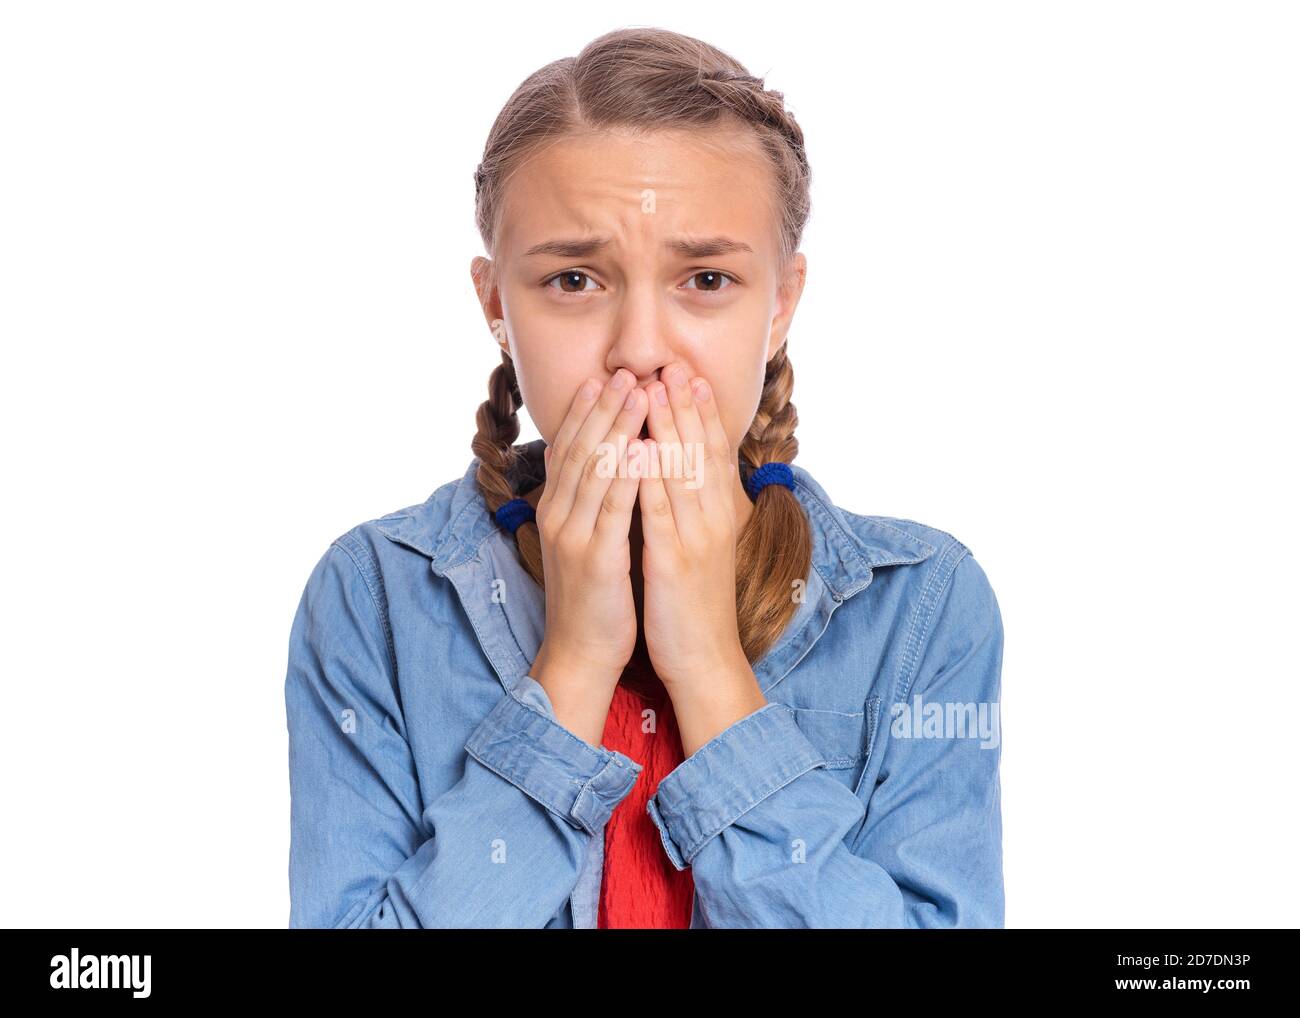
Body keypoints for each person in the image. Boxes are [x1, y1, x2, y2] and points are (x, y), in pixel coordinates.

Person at [284, 26, 1005, 929]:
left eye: (706, 278)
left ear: (779, 304)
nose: (640, 350)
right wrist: (575, 665)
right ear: (495, 304)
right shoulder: (374, 598)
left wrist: (707, 665)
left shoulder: (924, 608)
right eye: (575, 279)